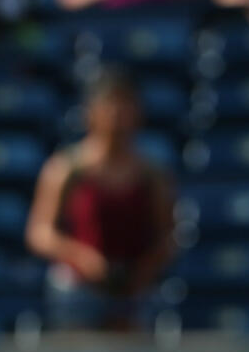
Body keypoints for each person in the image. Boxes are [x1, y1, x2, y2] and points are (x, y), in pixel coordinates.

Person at [25, 68, 175, 331]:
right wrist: (82, 258)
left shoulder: (153, 174)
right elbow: (39, 232)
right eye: (109, 104)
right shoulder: (65, 169)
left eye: (124, 104)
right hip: (77, 291)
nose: (117, 114)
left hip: (134, 294)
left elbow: (168, 236)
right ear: (91, 112)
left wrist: (142, 272)